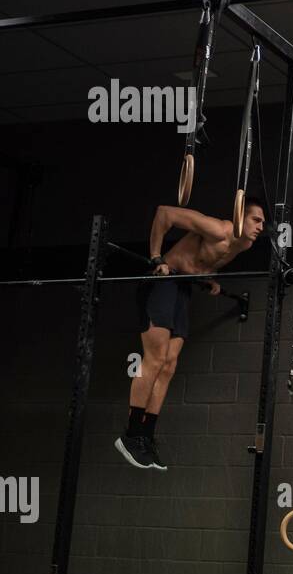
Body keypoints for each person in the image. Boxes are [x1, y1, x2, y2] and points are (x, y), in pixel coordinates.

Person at [114, 197, 266, 471]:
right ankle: (130, 434)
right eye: (256, 220)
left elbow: (200, 261)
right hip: (162, 281)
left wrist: (207, 278)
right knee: (155, 359)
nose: (261, 227)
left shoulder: (243, 244)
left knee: (170, 365)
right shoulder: (218, 228)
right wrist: (157, 257)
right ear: (240, 215)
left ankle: (146, 436)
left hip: (182, 287)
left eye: (263, 223)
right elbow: (164, 213)